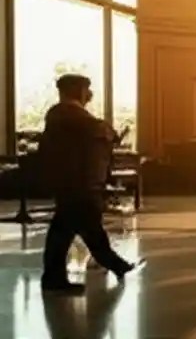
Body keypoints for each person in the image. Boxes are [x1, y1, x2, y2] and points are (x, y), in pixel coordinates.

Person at [39, 74, 142, 294]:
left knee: (76, 229)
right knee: (79, 229)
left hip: (75, 182)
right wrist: (109, 132)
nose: (89, 94)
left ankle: (114, 265)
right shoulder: (67, 114)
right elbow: (96, 129)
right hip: (78, 183)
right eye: (86, 89)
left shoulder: (61, 116)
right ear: (79, 91)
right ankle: (58, 278)